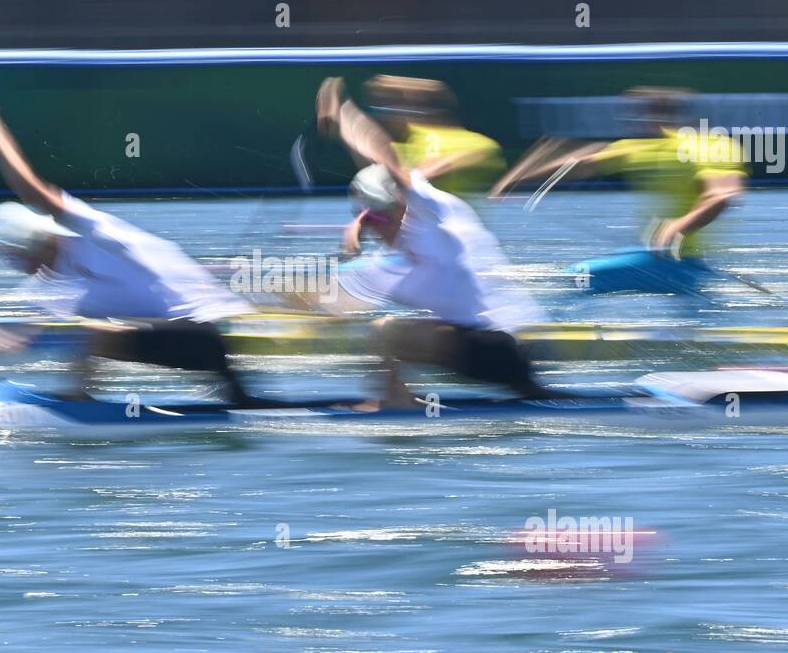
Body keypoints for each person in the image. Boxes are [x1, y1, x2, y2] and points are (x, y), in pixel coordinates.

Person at [0, 73, 256, 404]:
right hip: (187, 344)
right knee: (81, 329)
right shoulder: (56, 282)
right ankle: (83, 401)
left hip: (204, 336)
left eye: (16, 255)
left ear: (36, 242)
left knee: (85, 333)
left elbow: (29, 189)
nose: (19, 266)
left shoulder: (91, 230)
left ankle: (80, 406)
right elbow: (25, 333)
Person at [305, 77, 551, 408]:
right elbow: (337, 300)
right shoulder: (399, 256)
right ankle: (523, 394)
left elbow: (384, 159)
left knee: (385, 332)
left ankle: (393, 405)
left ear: (400, 207)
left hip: (503, 347)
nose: (375, 231)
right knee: (382, 329)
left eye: (377, 220)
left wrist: (343, 113)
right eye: (368, 223)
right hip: (498, 352)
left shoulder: (432, 210)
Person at [489, 86, 747, 294]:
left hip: (677, 262)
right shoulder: (642, 147)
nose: (630, 124)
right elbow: (580, 164)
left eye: (635, 116)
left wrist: (678, 227)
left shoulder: (710, 145)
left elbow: (722, 195)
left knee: (573, 278)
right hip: (659, 257)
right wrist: (515, 180)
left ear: (655, 116)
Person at [336, 75, 506, 255]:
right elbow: (389, 192)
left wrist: (343, 112)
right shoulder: (483, 145)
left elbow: (405, 182)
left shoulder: (467, 146)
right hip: (450, 250)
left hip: (451, 252)